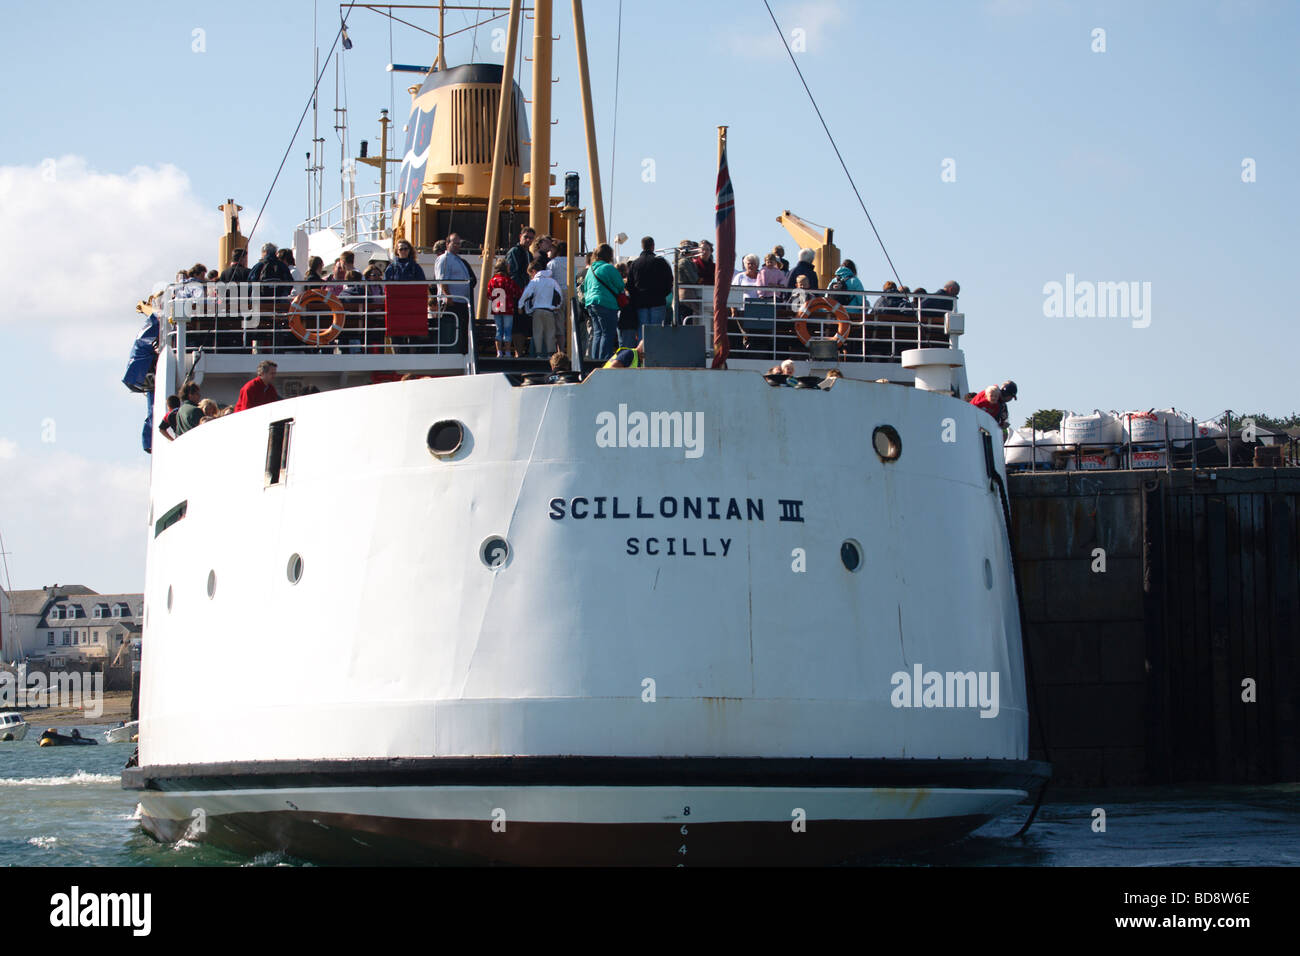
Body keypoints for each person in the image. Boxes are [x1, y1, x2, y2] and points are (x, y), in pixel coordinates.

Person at [434, 233, 477, 352]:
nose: (458, 246)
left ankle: (461, 352)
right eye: (455, 243)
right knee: (450, 331)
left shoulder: (458, 260)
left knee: (461, 330)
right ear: (448, 244)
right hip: (452, 303)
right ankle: (450, 353)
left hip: (461, 302)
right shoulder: (444, 259)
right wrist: (448, 296)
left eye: (459, 243)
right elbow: (443, 279)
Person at [582, 243, 625, 361]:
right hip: (606, 303)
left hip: (591, 303)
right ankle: (603, 360)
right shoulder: (608, 268)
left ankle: (595, 360)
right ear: (609, 255)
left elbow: (584, 288)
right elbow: (620, 285)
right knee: (607, 333)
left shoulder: (590, 270)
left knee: (597, 333)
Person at [627, 236, 673, 338]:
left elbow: (629, 285)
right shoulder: (661, 262)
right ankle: (655, 353)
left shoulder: (635, 264)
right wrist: (662, 294)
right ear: (653, 246)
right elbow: (669, 282)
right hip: (658, 301)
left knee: (642, 332)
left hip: (640, 302)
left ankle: (643, 353)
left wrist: (636, 297)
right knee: (656, 331)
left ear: (642, 246)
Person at [518, 258, 563, 357]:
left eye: (530, 274)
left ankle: (538, 354)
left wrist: (520, 306)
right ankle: (550, 354)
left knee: (537, 333)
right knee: (550, 333)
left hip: (537, 311)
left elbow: (525, 295)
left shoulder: (534, 282)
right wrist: (557, 306)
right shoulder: (552, 281)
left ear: (533, 271)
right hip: (549, 311)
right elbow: (559, 295)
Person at [485, 259, 522, 358]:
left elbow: (488, 295)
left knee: (498, 330)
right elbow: (517, 293)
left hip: (497, 308)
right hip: (508, 308)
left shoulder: (492, 281)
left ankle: (499, 352)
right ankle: (508, 352)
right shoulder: (509, 281)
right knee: (507, 330)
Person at [507, 226, 535, 290]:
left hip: (527, 287)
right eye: (526, 237)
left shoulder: (529, 254)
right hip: (516, 288)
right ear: (520, 236)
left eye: (531, 238)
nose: (528, 240)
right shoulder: (514, 251)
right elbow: (512, 272)